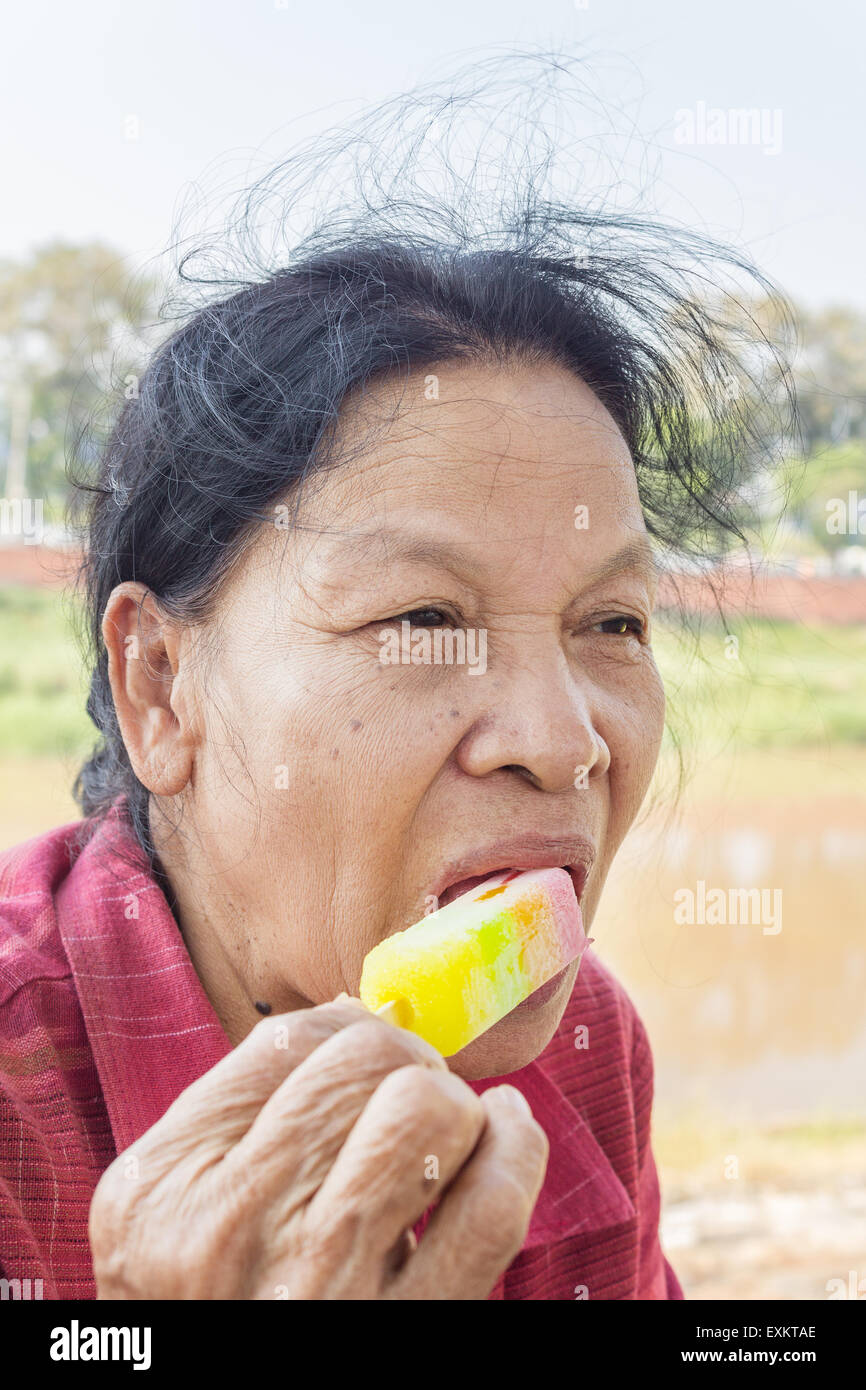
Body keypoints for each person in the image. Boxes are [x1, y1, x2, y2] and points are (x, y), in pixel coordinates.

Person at [0, 63, 790, 1301]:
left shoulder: (581, 1046)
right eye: (423, 614)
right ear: (161, 686)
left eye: (612, 621)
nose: (562, 738)